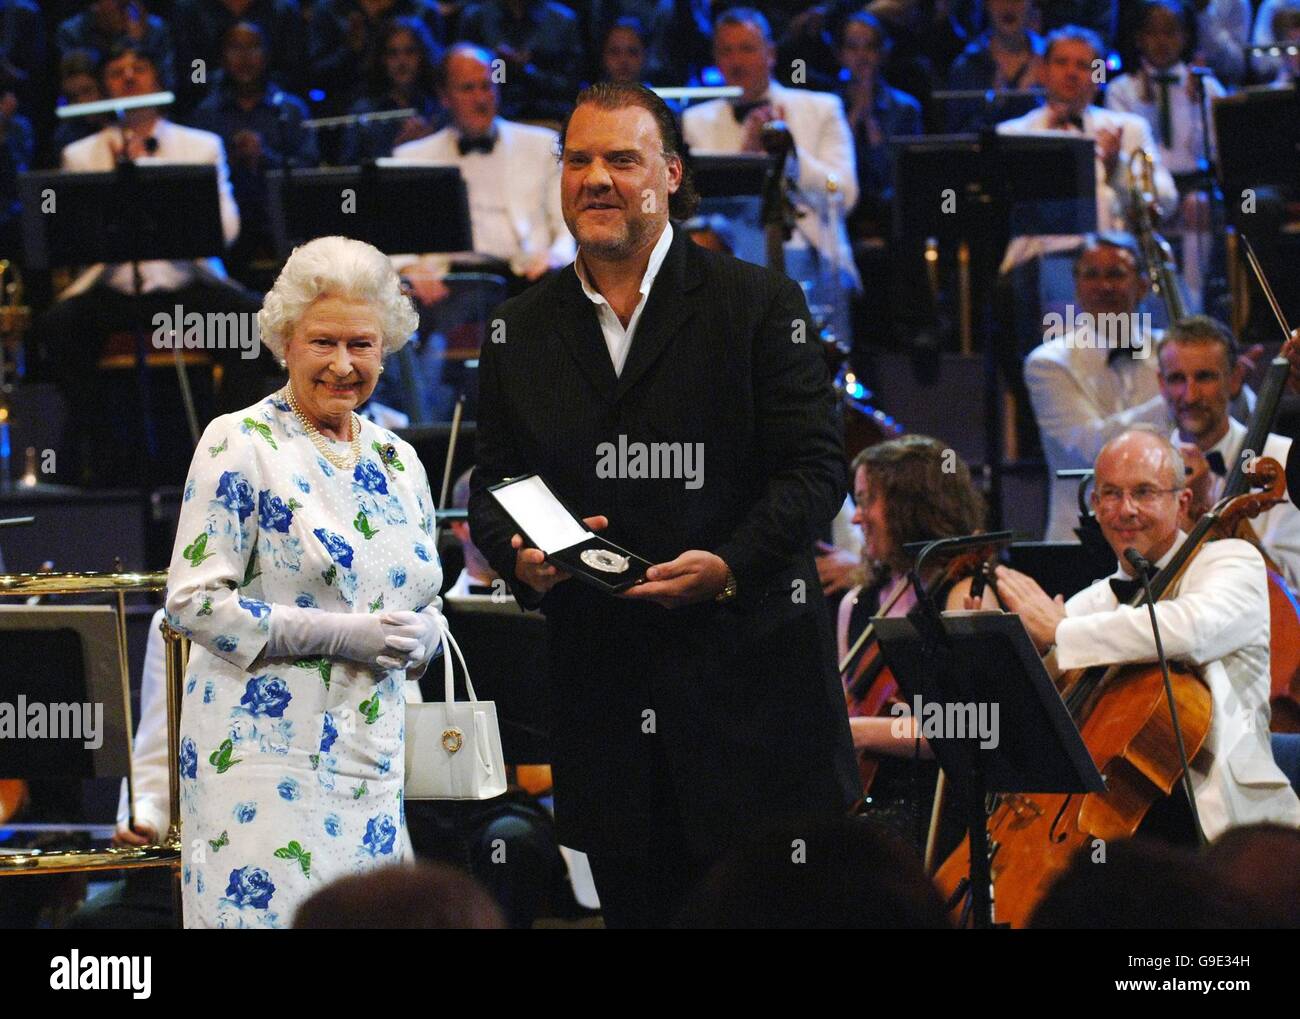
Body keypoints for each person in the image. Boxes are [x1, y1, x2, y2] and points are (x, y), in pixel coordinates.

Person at [467, 82, 859, 928]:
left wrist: (728, 567)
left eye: (621, 158)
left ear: (671, 174)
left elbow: (815, 472)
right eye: (578, 159)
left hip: (756, 720)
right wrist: (523, 558)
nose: (596, 178)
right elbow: (494, 485)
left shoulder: (757, 304)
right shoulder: (518, 328)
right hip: (607, 722)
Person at [163, 235, 447, 928]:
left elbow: (425, 596)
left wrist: (426, 635)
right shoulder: (239, 441)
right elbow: (193, 603)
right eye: (324, 341)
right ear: (285, 340)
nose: (344, 364)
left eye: (363, 343)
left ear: (387, 349)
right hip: (259, 765)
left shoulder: (401, 459)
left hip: (373, 765)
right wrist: (345, 633)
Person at [989, 427, 1300, 841]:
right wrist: (1014, 653)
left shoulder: (1231, 561)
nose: (1126, 509)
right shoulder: (1092, 604)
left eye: (1145, 492)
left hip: (1227, 827)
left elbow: (1189, 628)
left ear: (1182, 501)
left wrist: (1060, 631)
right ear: (1095, 506)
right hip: (1120, 820)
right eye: (1111, 495)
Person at [30, 42, 265, 489]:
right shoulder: (82, 154)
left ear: (158, 80)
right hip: (114, 293)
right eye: (117, 72)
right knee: (58, 327)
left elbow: (226, 229)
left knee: (249, 323)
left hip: (182, 292)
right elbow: (76, 238)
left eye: (139, 68)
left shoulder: (199, 146)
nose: (129, 79)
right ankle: (103, 460)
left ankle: (230, 457)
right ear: (105, 86)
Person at [837, 435, 995, 849]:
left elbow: (969, 727)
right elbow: (845, 704)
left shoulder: (965, 596)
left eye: (868, 500)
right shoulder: (857, 603)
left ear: (912, 507)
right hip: (865, 797)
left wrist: (858, 732)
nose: (856, 518)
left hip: (933, 807)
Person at [996, 25, 1177, 343]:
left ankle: (1124, 367)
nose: (1072, 73)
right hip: (1040, 261)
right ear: (1042, 70)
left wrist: (1116, 169)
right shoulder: (1012, 134)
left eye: (1083, 65)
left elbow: (1166, 199)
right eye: (1062, 63)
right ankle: (1055, 372)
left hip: (1114, 259)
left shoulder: (1128, 128)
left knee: (1124, 300)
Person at [682, 7, 861, 298]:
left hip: (808, 253)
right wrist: (747, 162)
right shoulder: (696, 120)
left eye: (747, 49)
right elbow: (694, 208)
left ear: (771, 54)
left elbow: (845, 195)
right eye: (726, 51)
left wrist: (786, 155)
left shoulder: (821, 108)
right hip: (728, 262)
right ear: (715, 59)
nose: (736, 61)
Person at [1024, 233, 1171, 541]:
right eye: (1092, 275)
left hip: (1161, 536)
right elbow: (1088, 446)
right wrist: (1174, 402)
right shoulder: (1048, 362)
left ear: (1142, 285)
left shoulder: (1170, 352)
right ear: (1076, 286)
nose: (1104, 286)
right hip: (1080, 538)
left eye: (1116, 274)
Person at [1156, 316, 1300, 589]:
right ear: (1160, 383)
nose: (1190, 395)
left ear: (1234, 379)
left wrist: (1210, 514)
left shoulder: (1284, 460)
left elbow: (1292, 585)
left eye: (1205, 377)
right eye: (1176, 379)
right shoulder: (1145, 468)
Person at [1104, 1, 1224, 311]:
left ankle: (1193, 305)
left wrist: (1196, 108)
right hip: (1146, 186)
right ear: (1139, 38)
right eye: (1153, 33)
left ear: (1184, 37)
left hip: (1192, 184)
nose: (1162, 42)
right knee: (1136, 210)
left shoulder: (1205, 85)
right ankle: (1147, 305)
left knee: (1198, 207)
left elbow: (1213, 151)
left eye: (1170, 33)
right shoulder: (1122, 88)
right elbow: (1129, 149)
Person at [188, 22, 318, 277]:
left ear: (267, 55)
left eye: (254, 47)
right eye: (235, 48)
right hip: (227, 228)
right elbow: (197, 185)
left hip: (281, 225)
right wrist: (230, 159)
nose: (245, 57)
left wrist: (265, 156)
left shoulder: (290, 109)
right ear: (222, 57)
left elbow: (310, 171)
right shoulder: (206, 113)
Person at [336, 15, 443, 165]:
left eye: (410, 52)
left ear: (423, 56)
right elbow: (349, 175)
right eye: (393, 53)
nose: (402, 62)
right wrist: (400, 151)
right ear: (382, 59)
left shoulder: (439, 109)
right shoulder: (364, 113)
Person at [456, 0, 584, 123]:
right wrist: (501, 65)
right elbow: (468, 80)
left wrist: (526, 70)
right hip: (495, 116)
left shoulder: (562, 21)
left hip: (549, 117)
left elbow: (570, 87)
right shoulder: (477, 18)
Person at [946, 0, 1044, 132]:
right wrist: (994, 105)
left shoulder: (1052, 60)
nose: (1009, 5)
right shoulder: (967, 65)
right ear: (986, 4)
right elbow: (957, 136)